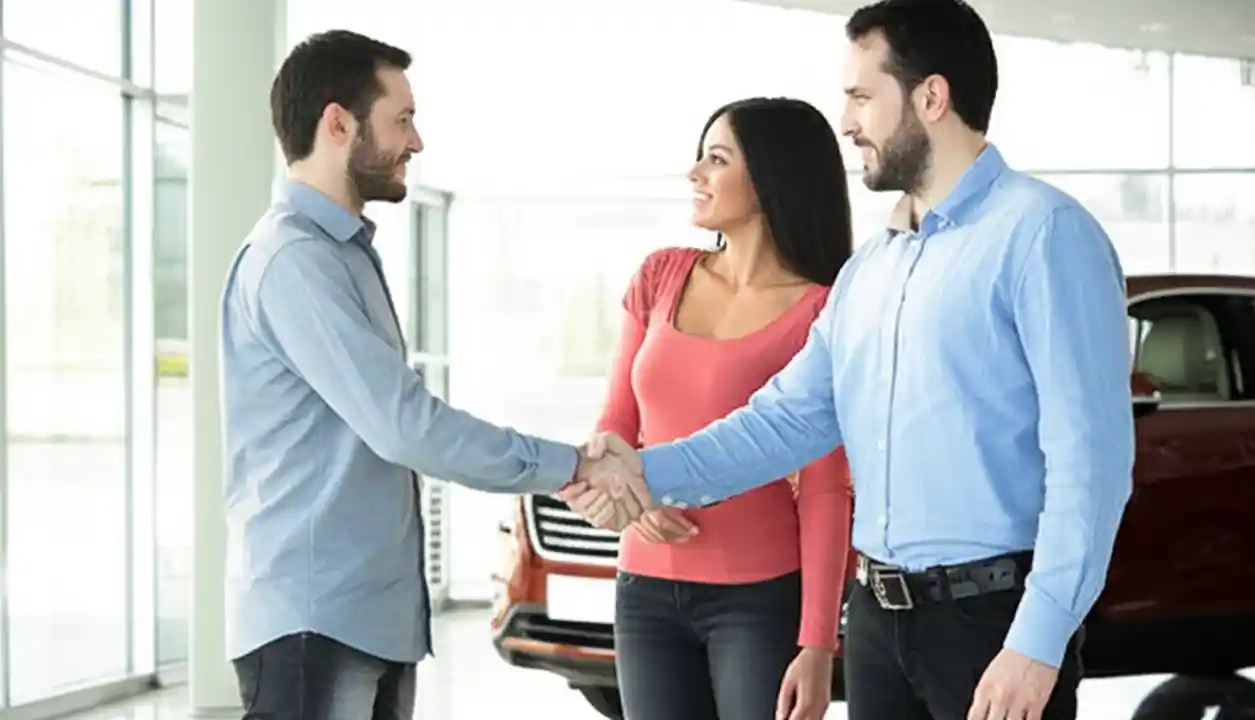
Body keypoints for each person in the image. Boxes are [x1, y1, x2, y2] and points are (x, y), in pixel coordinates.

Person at [560, 1, 1136, 719]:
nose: (847, 122)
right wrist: (643, 473)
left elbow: (1091, 464)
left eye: (862, 97)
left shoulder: (1044, 234)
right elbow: (782, 423)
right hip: (877, 620)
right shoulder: (871, 269)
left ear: (931, 97)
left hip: (991, 624)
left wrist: (1039, 642)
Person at [219, 30, 632, 720]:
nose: (416, 141)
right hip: (314, 624)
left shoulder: (344, 254)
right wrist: (571, 465)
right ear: (337, 124)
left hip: (363, 619)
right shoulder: (294, 261)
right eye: (402, 119)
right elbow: (406, 426)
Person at [594, 97, 852, 720]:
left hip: (758, 599)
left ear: (770, 176)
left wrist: (818, 644)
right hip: (644, 589)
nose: (695, 173)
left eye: (716, 159)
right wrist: (637, 499)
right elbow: (615, 425)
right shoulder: (660, 276)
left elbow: (826, 489)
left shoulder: (824, 310)